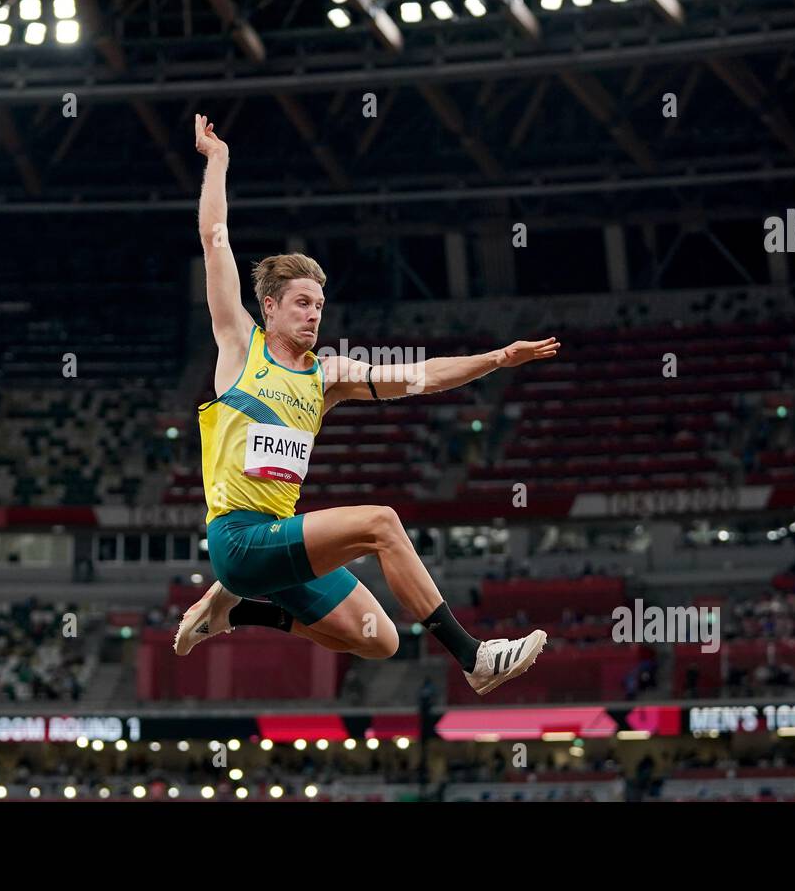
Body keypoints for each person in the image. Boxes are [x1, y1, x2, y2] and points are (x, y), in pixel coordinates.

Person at [174, 114, 558, 694]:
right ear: (270, 307)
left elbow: (422, 377)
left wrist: (498, 358)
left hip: (276, 545)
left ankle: (233, 611)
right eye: (301, 302)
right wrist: (217, 160)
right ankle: (473, 656)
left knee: (380, 637)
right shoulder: (238, 345)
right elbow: (215, 238)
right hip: (239, 537)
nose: (313, 314)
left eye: (320, 305)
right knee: (382, 523)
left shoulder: (328, 377)